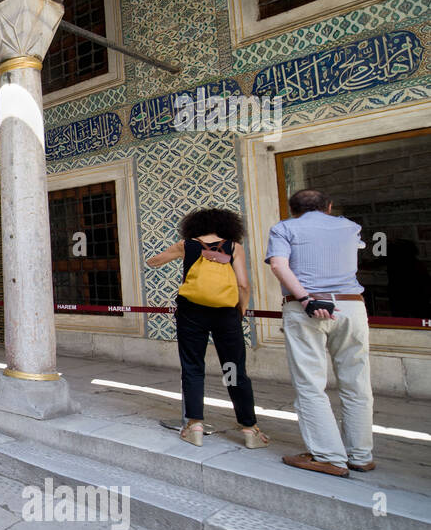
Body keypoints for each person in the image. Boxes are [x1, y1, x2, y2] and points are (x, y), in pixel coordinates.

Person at [266, 188, 374, 477]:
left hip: (307, 307)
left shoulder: (284, 228)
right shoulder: (350, 227)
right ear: (329, 206)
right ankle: (360, 455)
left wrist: (305, 299)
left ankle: (328, 456)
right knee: (357, 380)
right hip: (351, 307)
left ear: (293, 209)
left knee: (310, 383)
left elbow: (278, 265)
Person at [145, 208, 269, 449]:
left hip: (192, 312)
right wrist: (239, 312)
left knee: (193, 366)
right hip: (227, 314)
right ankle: (249, 428)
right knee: (234, 368)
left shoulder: (186, 245)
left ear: (194, 226)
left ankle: (195, 426)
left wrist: (175, 254)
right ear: (228, 226)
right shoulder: (234, 247)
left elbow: (154, 262)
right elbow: (243, 285)